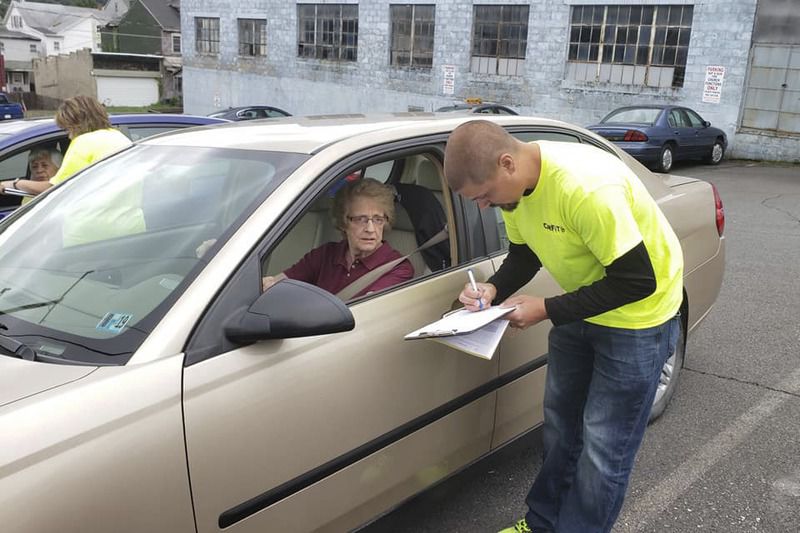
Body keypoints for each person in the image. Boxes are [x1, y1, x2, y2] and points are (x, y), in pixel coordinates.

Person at [443, 120, 683, 533]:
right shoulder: (515, 195)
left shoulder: (585, 189)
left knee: (603, 448)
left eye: (484, 196)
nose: (483, 206)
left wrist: (546, 308)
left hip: (639, 318)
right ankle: (542, 523)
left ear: (507, 164)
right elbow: (524, 256)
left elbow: (637, 281)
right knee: (560, 430)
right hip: (583, 304)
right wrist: (493, 289)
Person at [262, 178, 414, 298]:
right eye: (360, 219)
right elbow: (276, 283)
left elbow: (364, 312)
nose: (370, 229)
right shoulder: (326, 254)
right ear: (343, 222)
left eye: (377, 219)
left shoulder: (398, 268)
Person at [18, 95, 132, 196]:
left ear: (76, 123)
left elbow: (56, 188)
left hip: (99, 217)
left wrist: (16, 183)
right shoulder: (119, 137)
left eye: (68, 129)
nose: (69, 136)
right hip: (132, 216)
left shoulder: (83, 143)